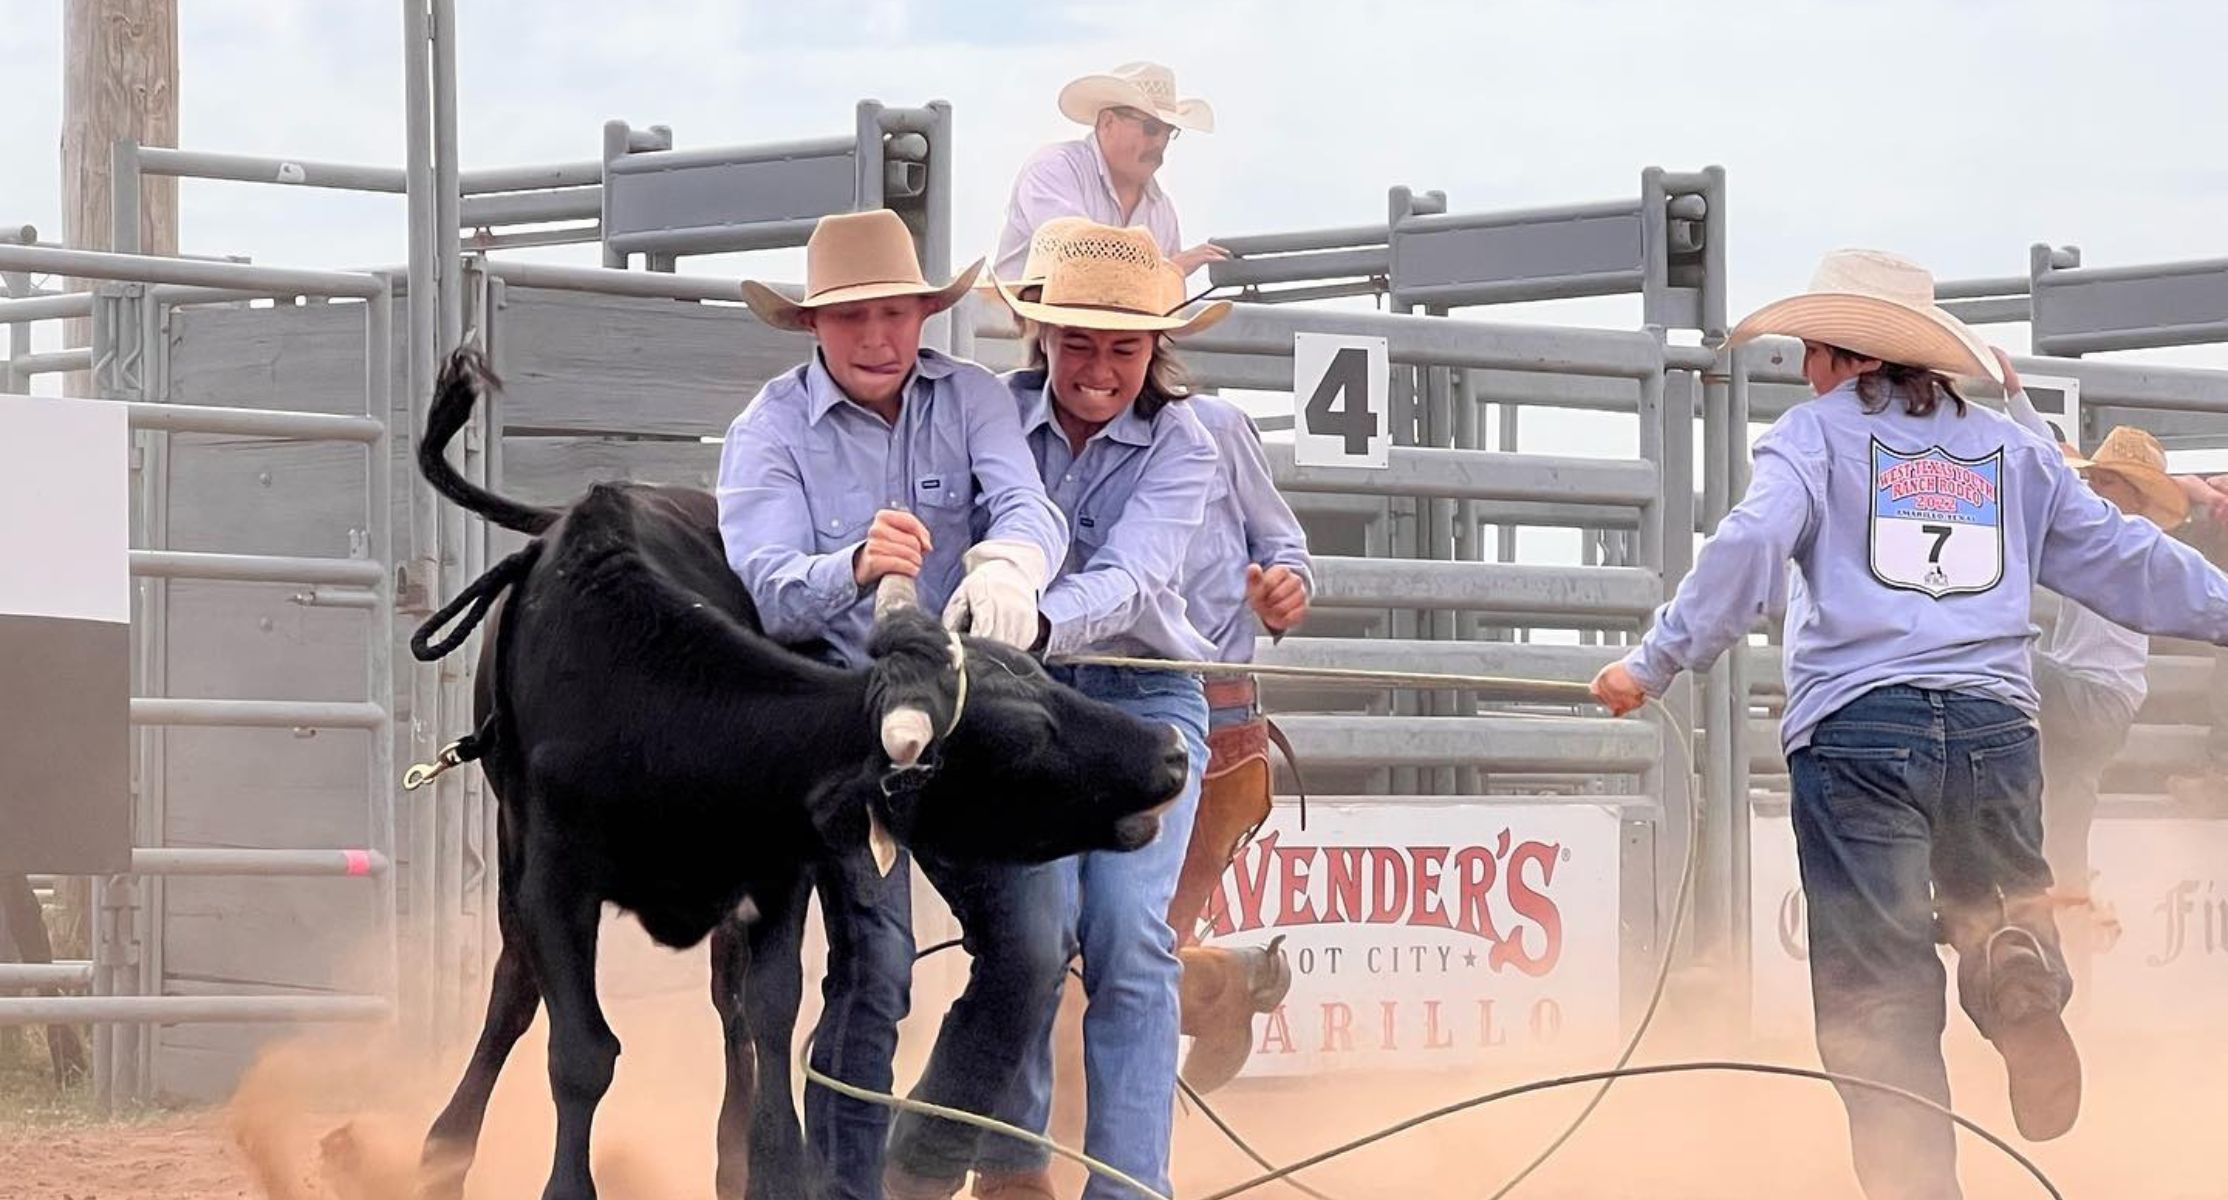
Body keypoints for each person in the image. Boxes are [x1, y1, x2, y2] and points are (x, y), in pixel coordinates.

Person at [1589, 249, 2228, 1200]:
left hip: (1858, 732)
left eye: (1812, 350)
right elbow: (2123, 556)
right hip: (1995, 725)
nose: (1805, 369)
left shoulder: (1813, 438)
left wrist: (1655, 660)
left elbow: (1750, 545)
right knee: (2002, 901)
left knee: (1877, 992)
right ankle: (2017, 964)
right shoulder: (2011, 451)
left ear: (1847, 357)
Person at [717, 207, 1071, 1200]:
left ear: (924, 315)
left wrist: (1011, 562)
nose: (878, 339)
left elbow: (1023, 501)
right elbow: (765, 578)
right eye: (853, 318)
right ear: (814, 327)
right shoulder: (770, 429)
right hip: (842, 725)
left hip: (966, 713)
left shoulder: (968, 399)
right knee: (875, 971)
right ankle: (848, 1192)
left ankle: (920, 1158)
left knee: (1033, 951)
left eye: (898, 314)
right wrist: (851, 566)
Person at [960, 222, 1228, 1200]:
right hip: (1024, 695)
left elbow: (1131, 580)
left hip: (1143, 697)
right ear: (1042, 337)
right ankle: (1015, 1170)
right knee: (1027, 928)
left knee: (1123, 931)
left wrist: (1028, 616)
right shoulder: (992, 416)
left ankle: (1127, 1188)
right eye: (1077, 342)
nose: (1097, 367)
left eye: (1122, 346)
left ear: (1155, 348)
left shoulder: (1185, 444)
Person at [2009, 416, 2186, 962]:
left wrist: (2016, 397)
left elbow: (2048, 457)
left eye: (2104, 480)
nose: (2092, 487)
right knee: (2063, 841)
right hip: (2100, 706)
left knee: (1994, 645)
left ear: (2131, 492)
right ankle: (2074, 964)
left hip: (2091, 696)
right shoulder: (2132, 541)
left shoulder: (2120, 538)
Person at [993, 62, 1227, 281]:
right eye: (1152, 128)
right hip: (1021, 324)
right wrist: (1170, 269)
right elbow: (1077, 260)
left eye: (1169, 131)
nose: (1161, 142)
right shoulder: (1054, 169)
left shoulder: (1162, 209)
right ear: (1107, 123)